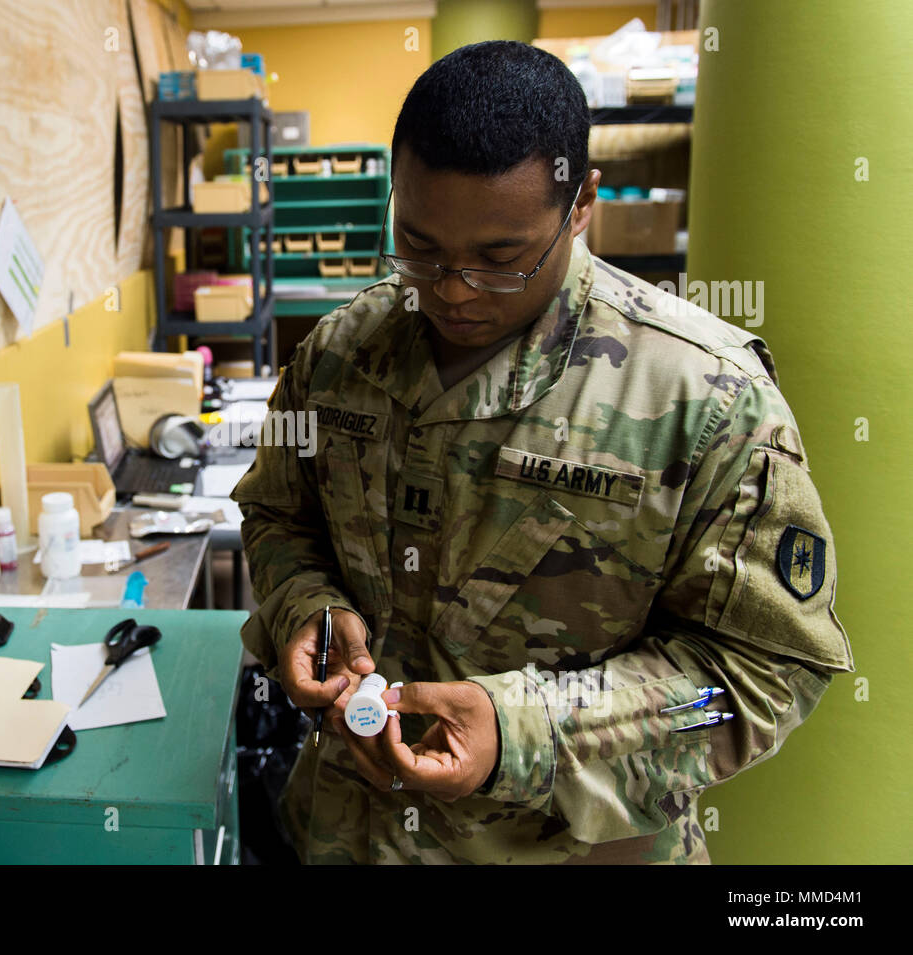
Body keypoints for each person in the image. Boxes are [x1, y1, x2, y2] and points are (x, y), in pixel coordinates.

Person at [231, 40, 853, 864]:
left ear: (583, 203)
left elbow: (764, 669)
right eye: (419, 245)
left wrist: (530, 731)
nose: (451, 288)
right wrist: (304, 602)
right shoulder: (342, 352)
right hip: (350, 835)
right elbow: (278, 511)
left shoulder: (704, 396)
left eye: (500, 259)